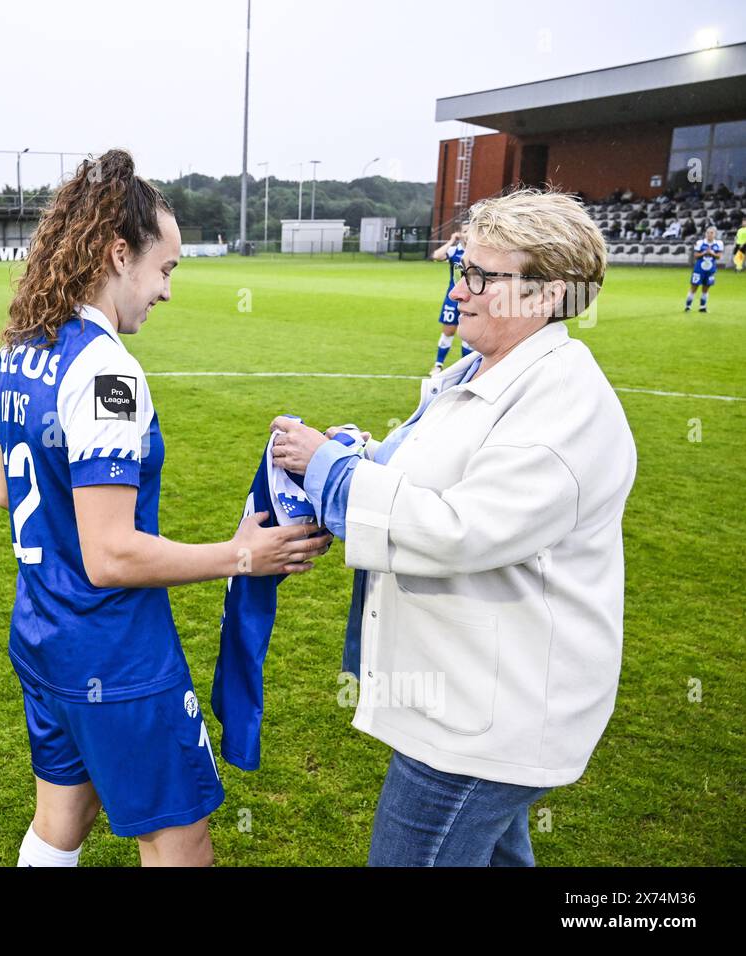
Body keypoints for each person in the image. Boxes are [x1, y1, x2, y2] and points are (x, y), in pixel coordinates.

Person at [271, 189, 636, 866]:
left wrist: (331, 472)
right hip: (473, 695)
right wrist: (360, 454)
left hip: (492, 714)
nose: (459, 290)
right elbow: (432, 476)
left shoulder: (563, 401)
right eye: (462, 270)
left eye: (480, 277)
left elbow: (460, 528)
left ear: (545, 295)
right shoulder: (483, 366)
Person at [0, 148, 327, 867]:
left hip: (41, 633)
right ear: (118, 254)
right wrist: (247, 553)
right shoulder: (106, 370)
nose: (167, 291)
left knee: (60, 821)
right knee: (181, 842)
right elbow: (109, 555)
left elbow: (4, 490)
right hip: (115, 654)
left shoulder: (18, 348)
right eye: (165, 269)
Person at [429, 229, 472, 374]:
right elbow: (437, 256)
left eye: (470, 230)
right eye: (465, 230)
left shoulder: (477, 252)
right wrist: (451, 241)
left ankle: (466, 368)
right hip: (453, 298)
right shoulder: (454, 251)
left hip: (472, 297)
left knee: (469, 333)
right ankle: (438, 364)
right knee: (448, 330)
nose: (467, 233)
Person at [685, 227, 722, 312]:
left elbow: (719, 256)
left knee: (706, 289)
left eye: (711, 233)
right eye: (708, 233)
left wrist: (712, 253)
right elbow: (695, 256)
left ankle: (702, 307)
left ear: (715, 234)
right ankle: (688, 306)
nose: (709, 235)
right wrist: (704, 253)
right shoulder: (700, 243)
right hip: (699, 269)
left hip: (710, 270)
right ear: (705, 234)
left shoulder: (718, 244)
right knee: (694, 287)